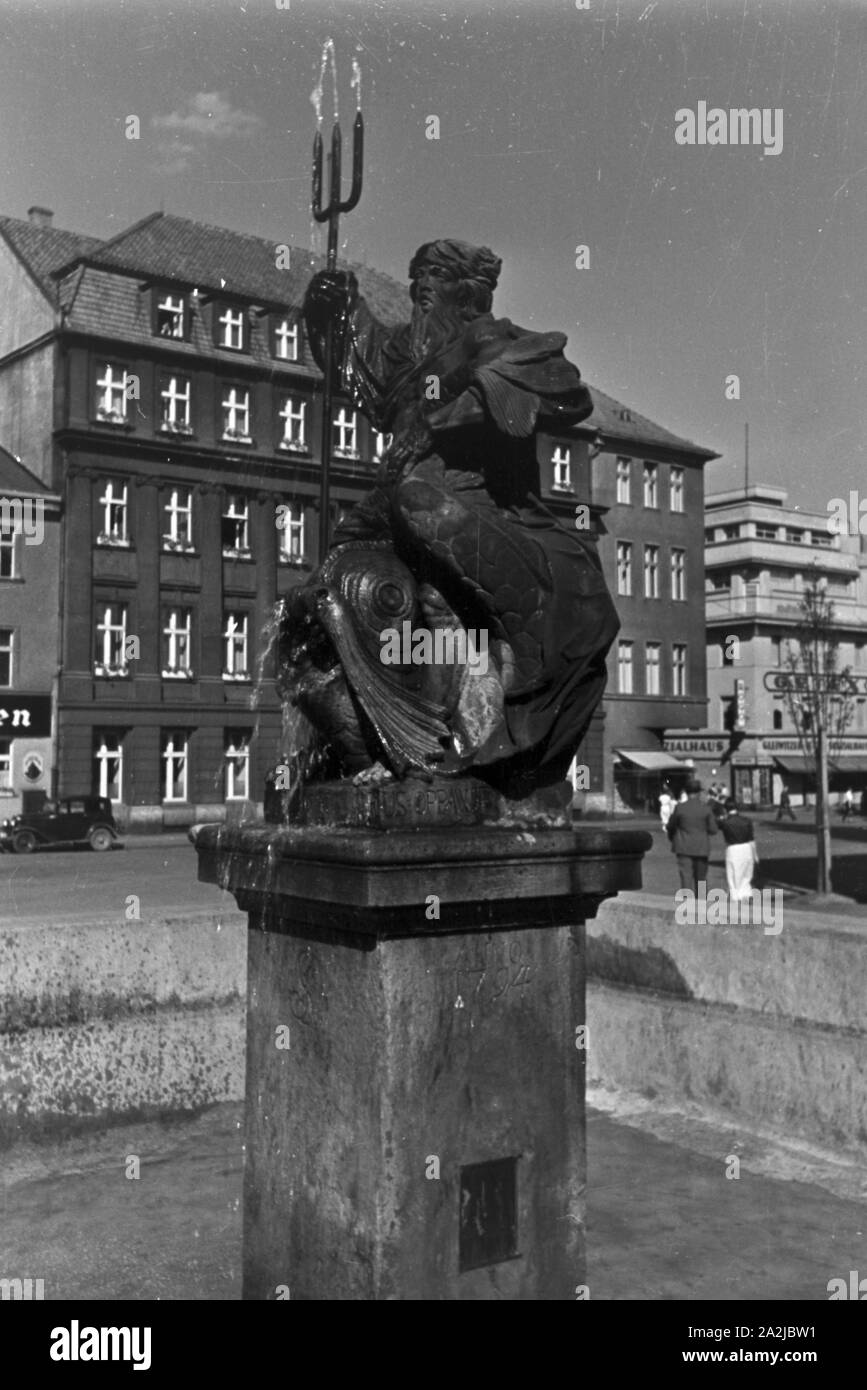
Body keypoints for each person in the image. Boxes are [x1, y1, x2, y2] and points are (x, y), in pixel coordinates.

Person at [297, 239, 619, 790]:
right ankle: (373, 735)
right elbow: (362, 361)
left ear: (468, 292)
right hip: (397, 512)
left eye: (436, 275)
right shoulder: (410, 351)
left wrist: (452, 413)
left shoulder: (496, 339)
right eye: (417, 274)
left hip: (479, 509)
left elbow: (565, 390)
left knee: (419, 510)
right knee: (334, 580)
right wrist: (330, 307)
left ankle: (477, 708)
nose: (421, 285)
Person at [667, 778, 719, 893]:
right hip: (701, 847)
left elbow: (671, 825)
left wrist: (673, 837)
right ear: (699, 792)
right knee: (701, 879)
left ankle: (687, 905)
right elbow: (713, 829)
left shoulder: (680, 808)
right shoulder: (705, 808)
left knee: (686, 877)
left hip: (683, 846)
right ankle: (701, 904)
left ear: (686, 792)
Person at [719, 797, 759, 901]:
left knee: (733, 875)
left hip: (732, 848)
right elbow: (751, 839)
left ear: (725, 809)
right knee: (746, 874)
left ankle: (735, 897)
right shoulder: (747, 821)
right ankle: (746, 893)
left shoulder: (725, 822)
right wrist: (755, 855)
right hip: (747, 848)